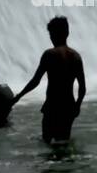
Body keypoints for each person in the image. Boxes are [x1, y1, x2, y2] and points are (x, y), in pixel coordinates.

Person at [13, 16, 86, 144]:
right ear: (67, 33)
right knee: (64, 142)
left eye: (51, 34)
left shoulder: (49, 55)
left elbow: (35, 81)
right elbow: (82, 87)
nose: (51, 38)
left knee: (47, 142)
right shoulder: (76, 57)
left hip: (53, 105)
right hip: (69, 106)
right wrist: (78, 106)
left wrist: (18, 97)